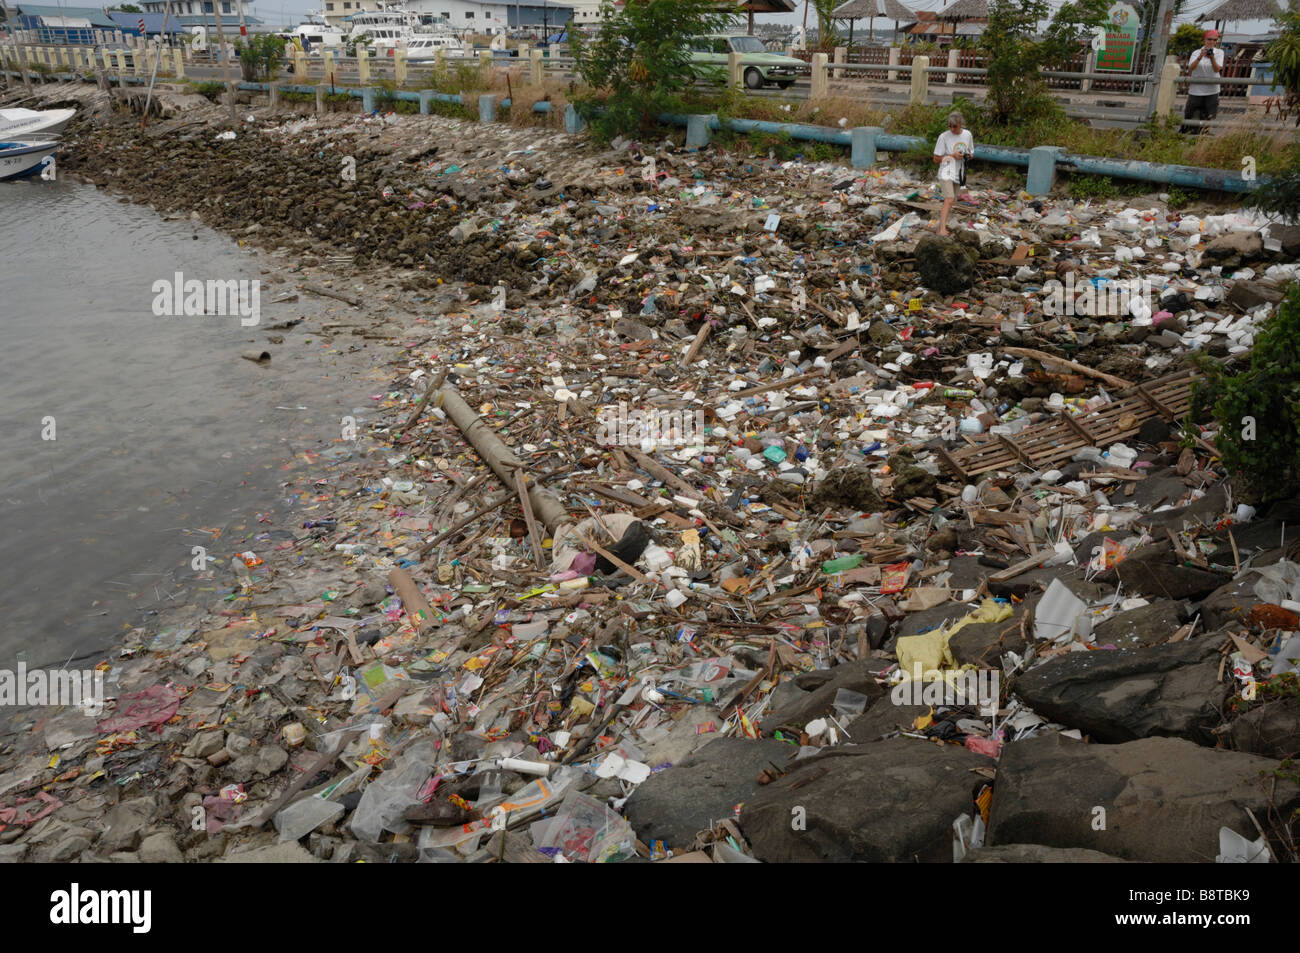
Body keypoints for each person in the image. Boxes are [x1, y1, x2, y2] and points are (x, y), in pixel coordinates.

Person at [932, 111, 973, 236]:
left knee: (950, 201)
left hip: (958, 173)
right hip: (946, 171)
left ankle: (940, 228)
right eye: (950, 126)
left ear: (960, 124)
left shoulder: (967, 135)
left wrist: (968, 156)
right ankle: (943, 229)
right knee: (949, 199)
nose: (952, 129)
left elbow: (971, 151)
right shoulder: (943, 136)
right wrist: (952, 156)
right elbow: (936, 159)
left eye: (954, 126)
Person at [1183, 29, 1225, 134]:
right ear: (1204, 40)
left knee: (1209, 114)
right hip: (1196, 89)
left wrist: (1212, 58)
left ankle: (1205, 133)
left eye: (1214, 40)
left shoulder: (1219, 52)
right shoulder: (1196, 52)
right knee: (1190, 112)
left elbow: (1216, 69)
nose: (1211, 42)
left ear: (1216, 41)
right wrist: (1200, 56)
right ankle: (1188, 131)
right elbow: (1191, 68)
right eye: (1209, 39)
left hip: (1212, 89)